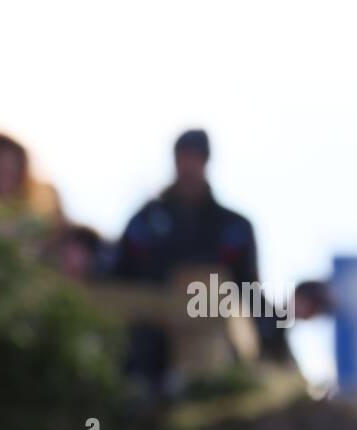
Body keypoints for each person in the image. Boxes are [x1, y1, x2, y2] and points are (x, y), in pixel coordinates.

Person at [113, 129, 291, 362]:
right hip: (148, 343)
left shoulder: (233, 228)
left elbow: (249, 290)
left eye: (194, 158)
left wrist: (275, 326)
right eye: (182, 157)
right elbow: (118, 278)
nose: (188, 166)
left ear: (205, 161)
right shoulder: (147, 222)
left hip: (213, 345)